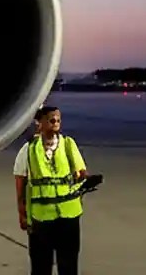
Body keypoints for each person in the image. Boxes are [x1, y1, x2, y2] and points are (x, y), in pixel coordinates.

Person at [14, 105, 88, 275]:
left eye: (58, 120)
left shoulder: (68, 145)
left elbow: (81, 173)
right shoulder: (28, 150)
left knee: (69, 264)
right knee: (41, 265)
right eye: (51, 120)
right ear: (39, 123)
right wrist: (22, 214)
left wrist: (84, 181)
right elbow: (20, 183)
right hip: (41, 216)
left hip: (69, 215)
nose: (55, 123)